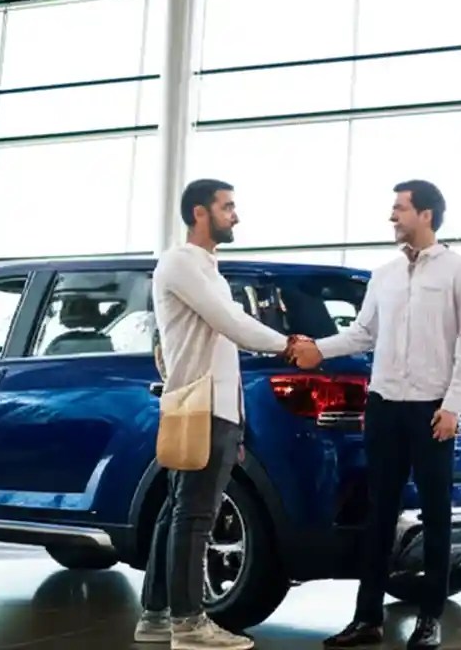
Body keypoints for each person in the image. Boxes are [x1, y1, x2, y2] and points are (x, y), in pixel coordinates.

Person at [289, 180, 461, 650]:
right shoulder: (385, 275)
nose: (392, 217)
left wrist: (453, 406)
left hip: (432, 411)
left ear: (427, 216)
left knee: (437, 516)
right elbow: (362, 334)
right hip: (384, 407)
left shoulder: (460, 271)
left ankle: (429, 618)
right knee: (379, 515)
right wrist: (319, 351)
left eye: (399, 209)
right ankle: (366, 618)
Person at [135, 178, 298, 650]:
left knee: (178, 512)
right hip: (201, 406)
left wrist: (240, 421)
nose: (236, 215)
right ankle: (188, 624)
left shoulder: (209, 270)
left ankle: (155, 615)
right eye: (227, 207)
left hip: (213, 406)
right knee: (194, 516)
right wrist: (287, 345)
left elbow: (220, 344)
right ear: (199, 213)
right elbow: (233, 326)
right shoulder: (183, 264)